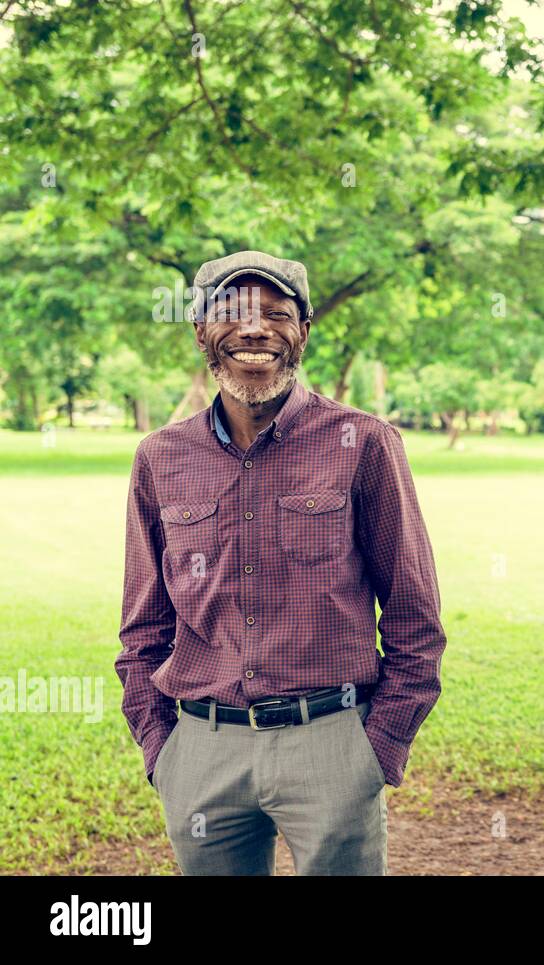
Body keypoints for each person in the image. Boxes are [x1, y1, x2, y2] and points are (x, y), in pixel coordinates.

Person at [115, 250, 447, 875]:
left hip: (332, 745)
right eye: (232, 313)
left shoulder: (365, 443)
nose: (255, 328)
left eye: (276, 313)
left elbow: (415, 618)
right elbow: (142, 628)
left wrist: (378, 747)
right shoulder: (159, 457)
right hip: (201, 750)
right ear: (200, 332)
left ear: (303, 330)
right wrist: (163, 750)